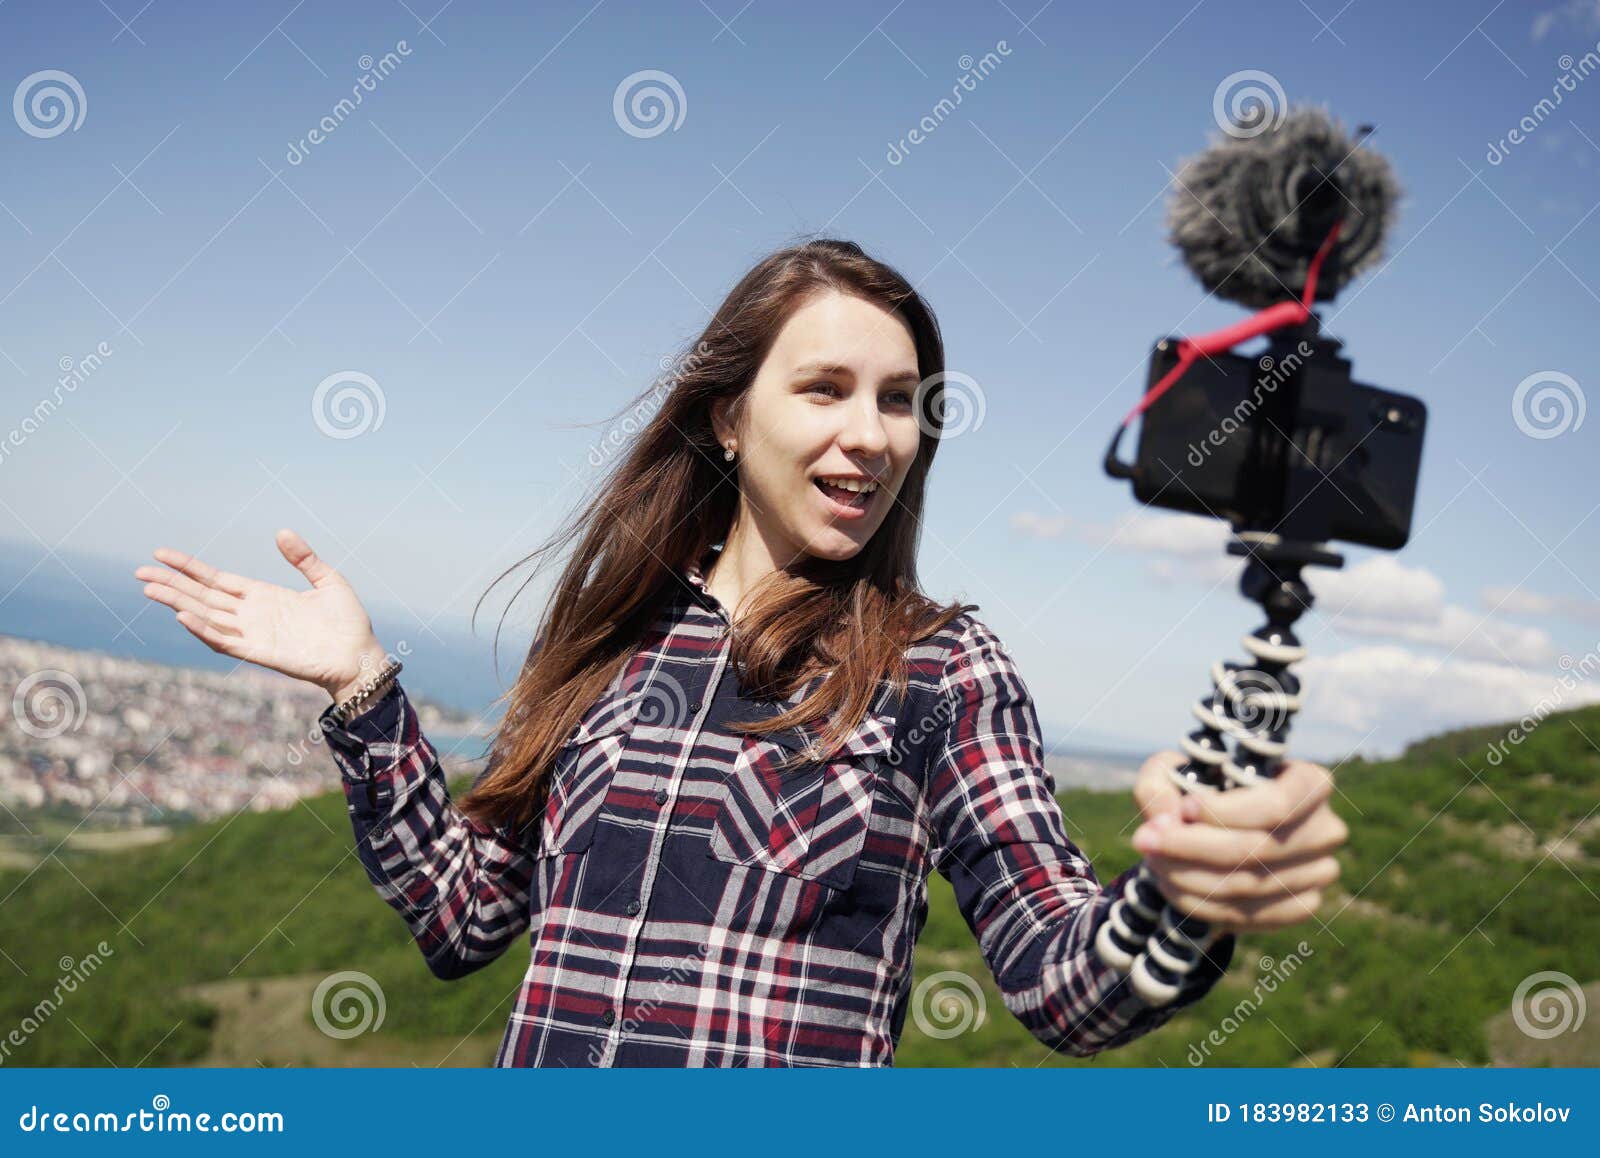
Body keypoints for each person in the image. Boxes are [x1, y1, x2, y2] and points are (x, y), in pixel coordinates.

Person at [135, 237, 1346, 1067]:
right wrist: (360, 689)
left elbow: (1059, 978)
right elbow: (462, 919)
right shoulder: (610, 640)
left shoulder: (940, 669)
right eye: (825, 389)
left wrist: (1179, 902)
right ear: (729, 415)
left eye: (900, 400)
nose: (871, 435)